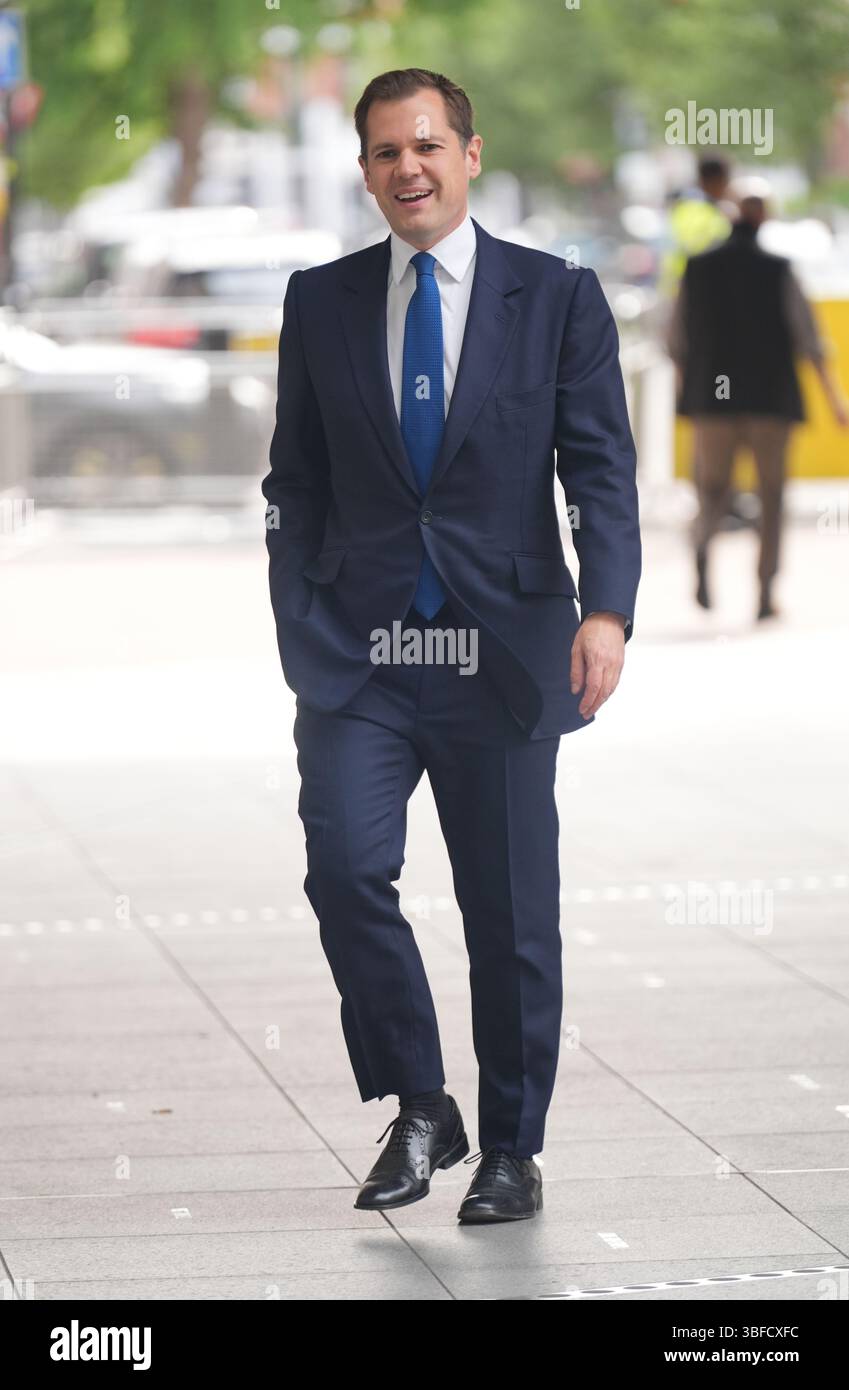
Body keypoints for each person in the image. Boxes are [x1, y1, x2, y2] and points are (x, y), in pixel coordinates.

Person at [261, 68, 641, 1224]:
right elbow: (297, 478)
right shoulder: (319, 301)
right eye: (383, 152)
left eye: (425, 144)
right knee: (343, 866)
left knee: (510, 911)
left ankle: (514, 1146)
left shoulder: (557, 296)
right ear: (366, 170)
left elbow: (602, 470)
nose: (406, 169)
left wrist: (608, 609)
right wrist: (297, 614)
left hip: (505, 651)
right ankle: (424, 1101)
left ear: (469, 154)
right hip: (362, 653)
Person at [667, 193, 848, 619]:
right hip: (770, 399)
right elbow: (809, 341)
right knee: (771, 496)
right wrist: (835, 399)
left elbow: (675, 339)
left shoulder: (697, 269)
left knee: (712, 492)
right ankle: (765, 591)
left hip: (713, 401)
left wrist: (688, 393)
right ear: (763, 220)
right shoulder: (778, 270)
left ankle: (702, 548)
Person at [658, 155, 735, 301]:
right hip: (691, 292)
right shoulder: (700, 211)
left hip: (682, 290)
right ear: (718, 180)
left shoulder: (690, 208)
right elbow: (699, 254)